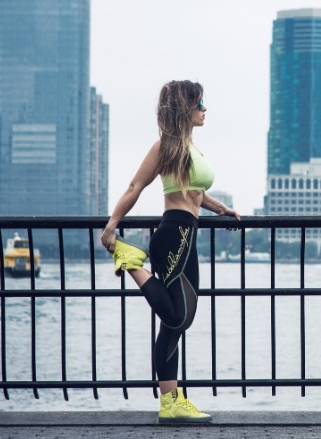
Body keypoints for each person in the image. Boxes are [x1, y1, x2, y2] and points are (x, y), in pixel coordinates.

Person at [101, 79, 240, 424]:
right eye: (199, 104)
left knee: (181, 320)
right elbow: (136, 186)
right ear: (184, 109)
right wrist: (112, 225)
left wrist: (221, 208)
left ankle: (171, 401)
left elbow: (195, 193)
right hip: (172, 235)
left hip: (188, 236)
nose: (205, 109)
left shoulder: (190, 148)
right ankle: (130, 261)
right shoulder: (164, 147)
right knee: (175, 317)